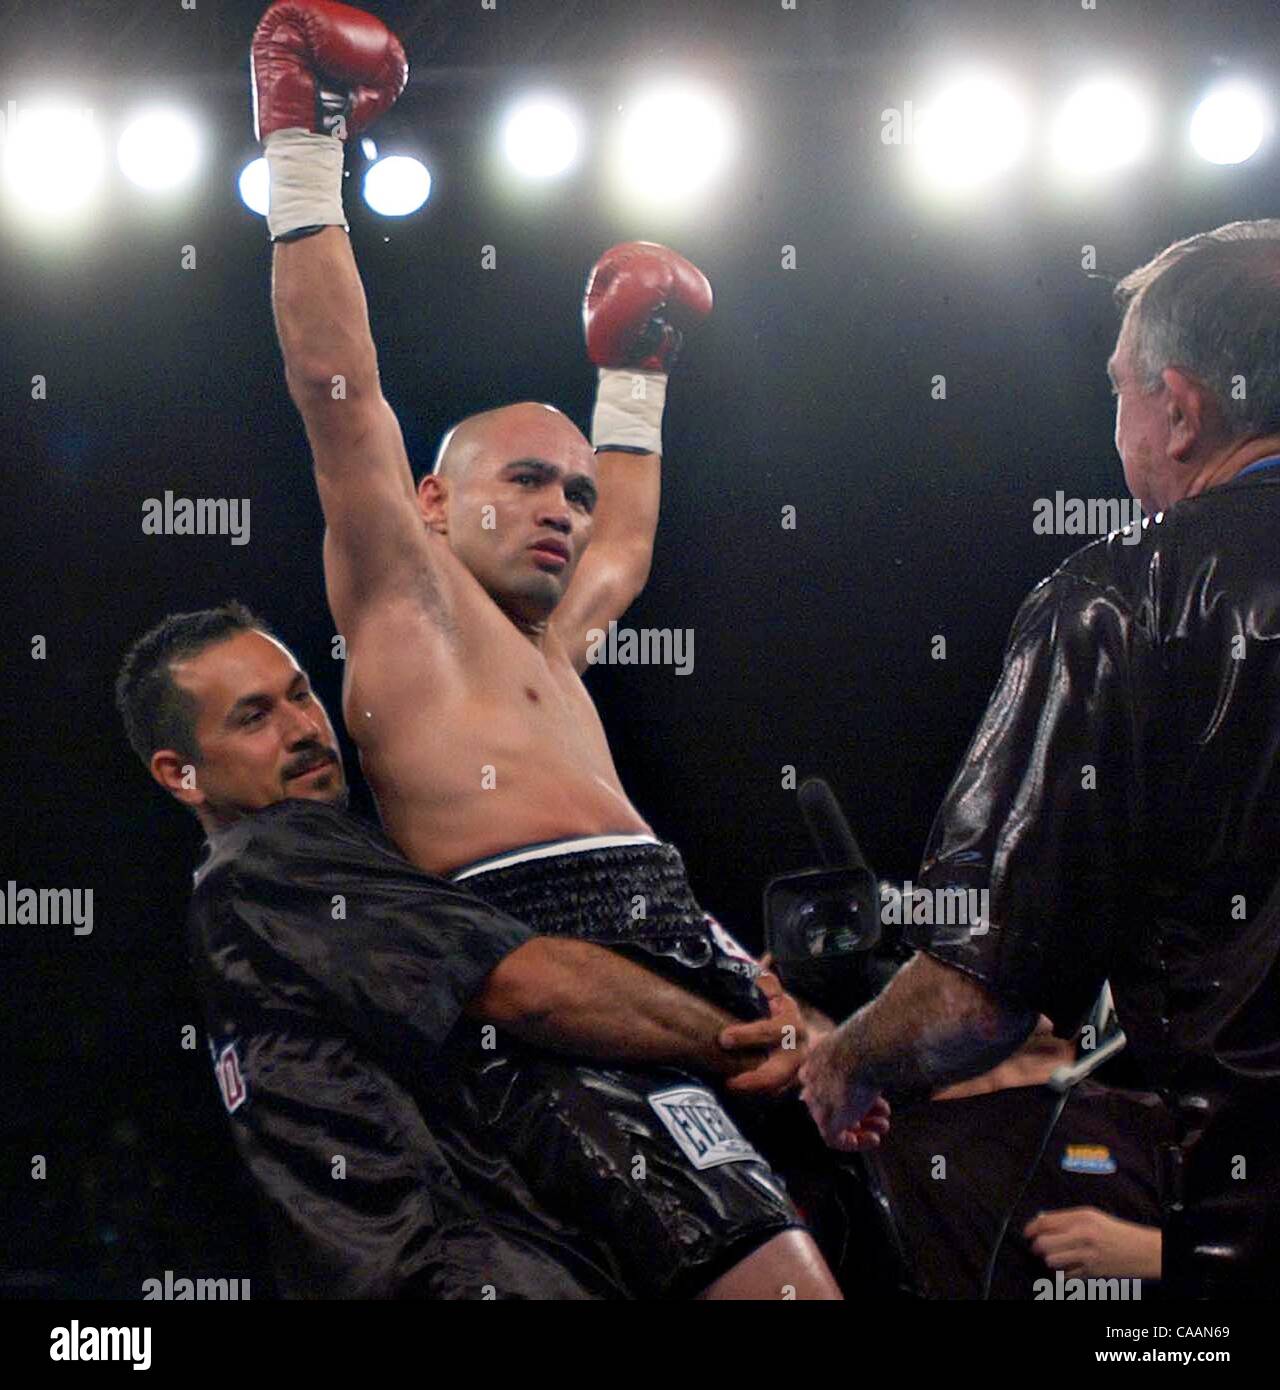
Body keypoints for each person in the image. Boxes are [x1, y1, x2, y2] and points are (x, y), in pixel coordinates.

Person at [252, 0, 883, 1298]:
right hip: (552, 989)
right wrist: (303, 146)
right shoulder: (406, 608)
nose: (562, 509)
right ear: (433, 502)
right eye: (530, 481)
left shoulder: (556, 643)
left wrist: (635, 377)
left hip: (669, 948)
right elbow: (341, 392)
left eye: (574, 491)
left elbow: (629, 543)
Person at [797, 220, 1280, 1298]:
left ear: (1178, 406)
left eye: (1117, 390)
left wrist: (842, 1060)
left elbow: (980, 988)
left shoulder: (1120, 597)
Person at [115, 603, 811, 1298]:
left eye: (300, 693)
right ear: (181, 774)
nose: (303, 728)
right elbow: (527, 986)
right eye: (254, 716)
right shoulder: (276, 859)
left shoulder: (242, 897)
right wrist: (734, 1040)